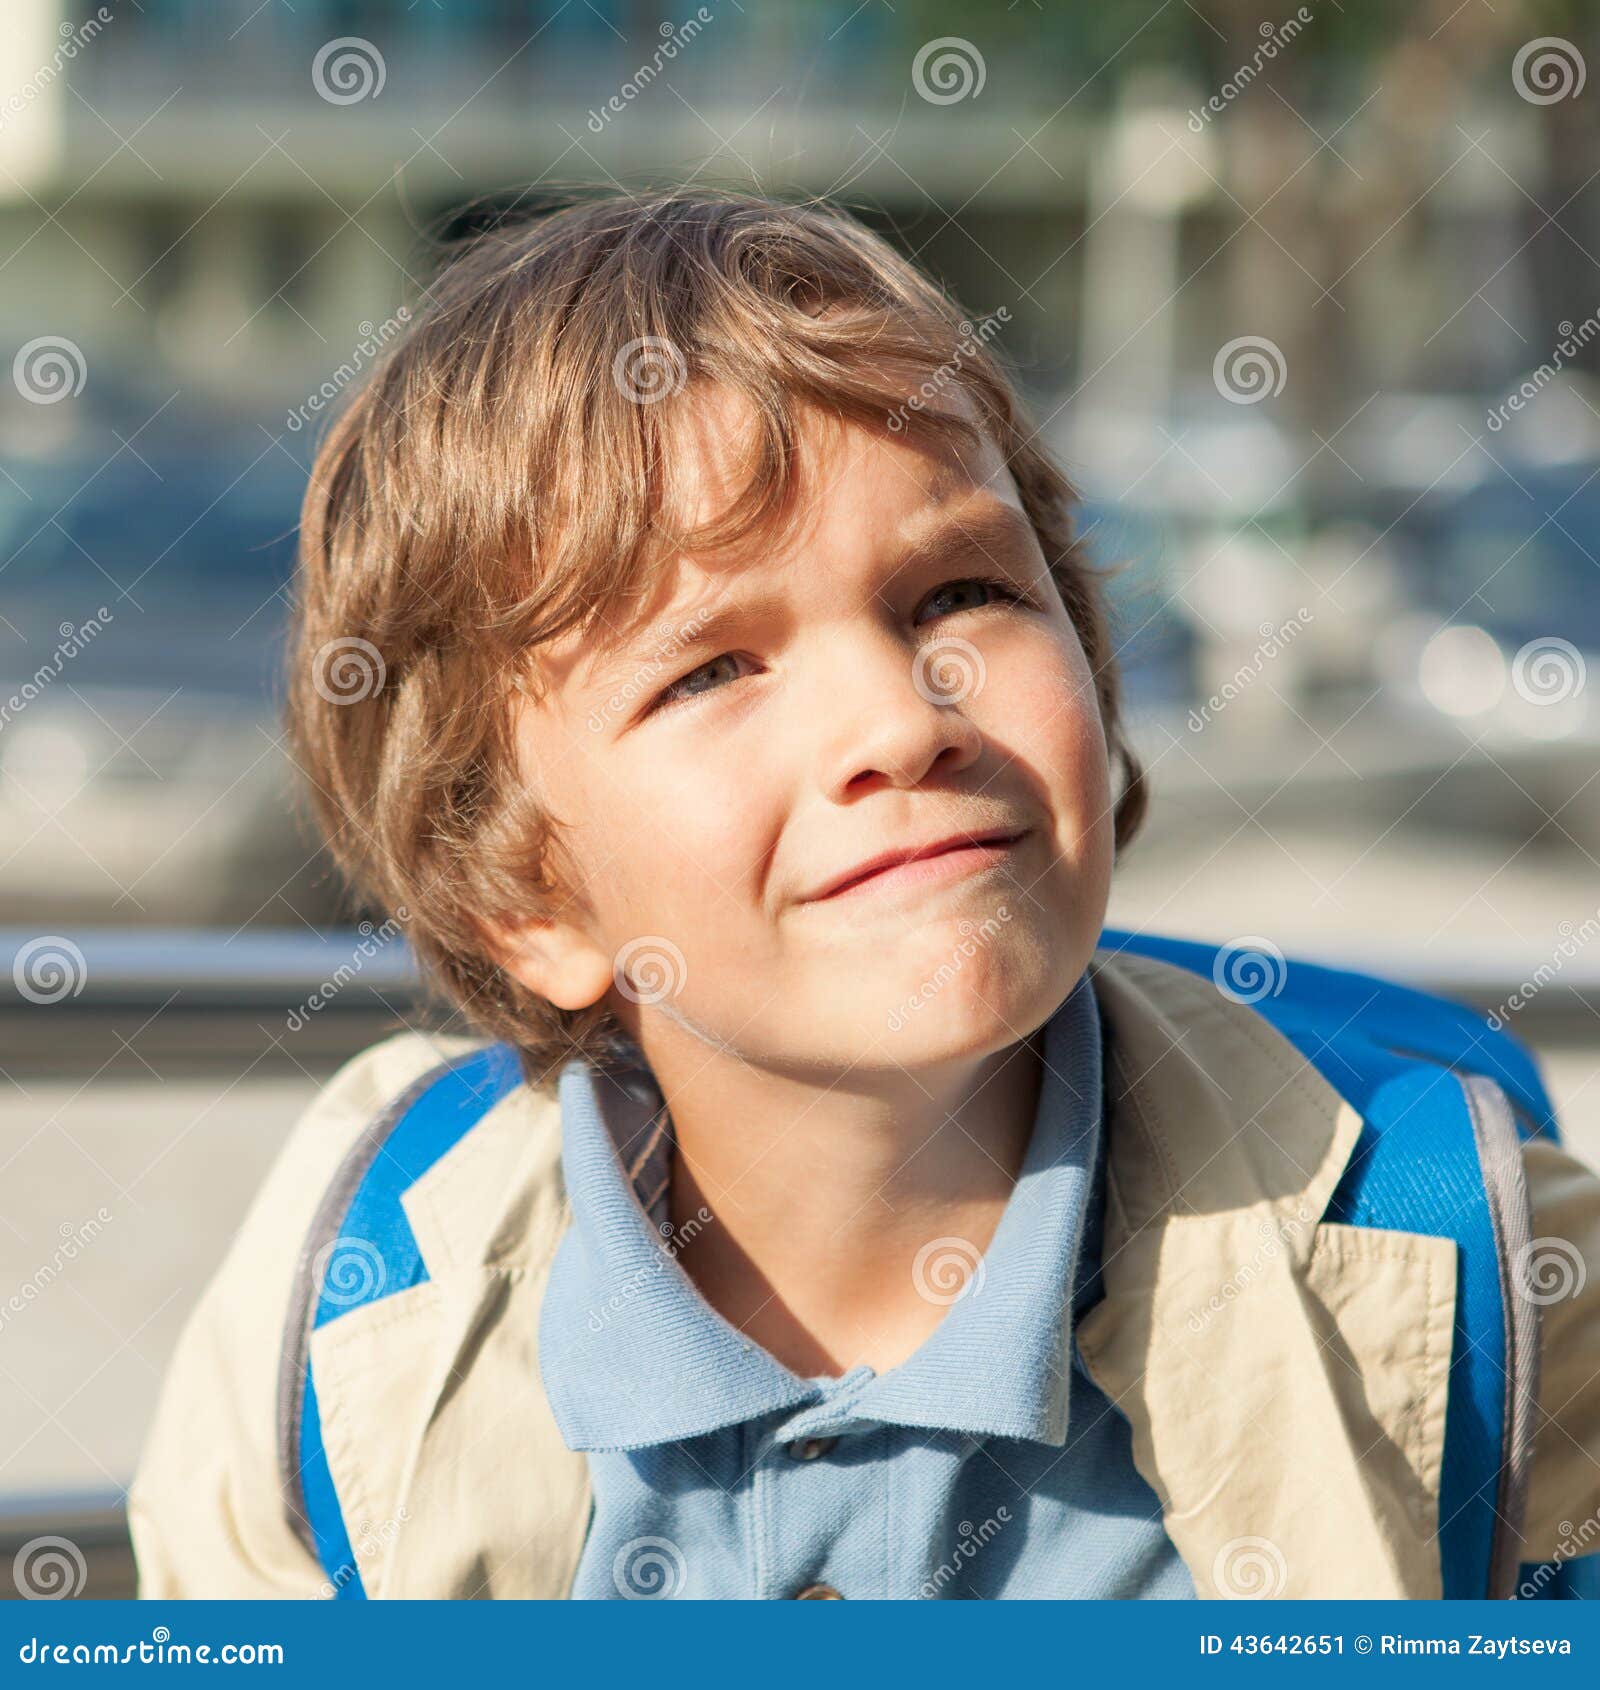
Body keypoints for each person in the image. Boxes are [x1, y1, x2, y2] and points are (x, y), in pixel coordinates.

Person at [128, 186, 1600, 1600]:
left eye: (963, 594)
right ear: (528, 898)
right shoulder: (348, 1311)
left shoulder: (1477, 1267)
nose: (903, 720)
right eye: (713, 669)